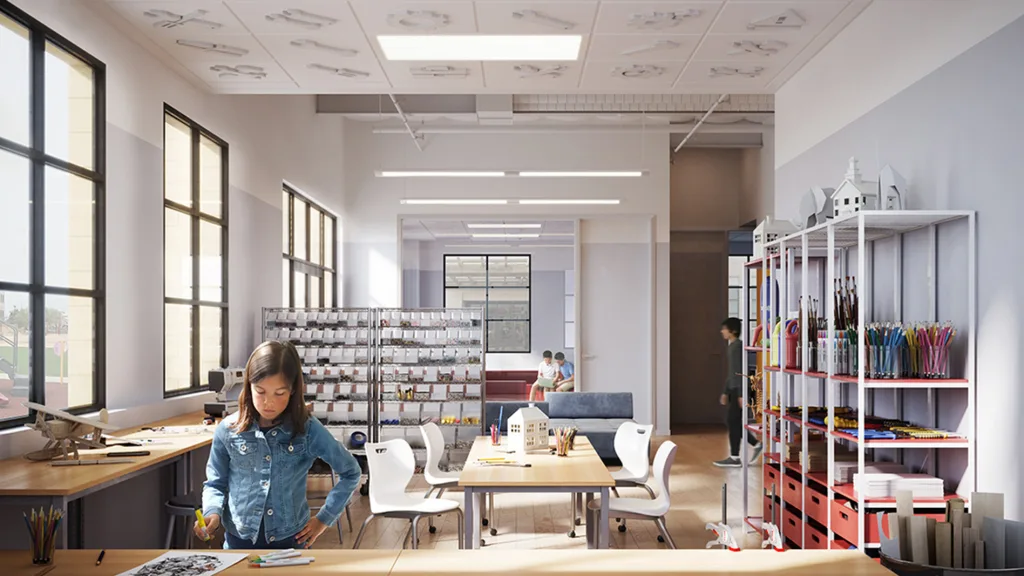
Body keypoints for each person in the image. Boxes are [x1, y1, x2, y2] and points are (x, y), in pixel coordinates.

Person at [194, 341, 361, 549]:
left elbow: (351, 472)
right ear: (249, 386)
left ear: (292, 390)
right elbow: (215, 483)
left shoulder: (308, 429)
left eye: (279, 393)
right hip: (238, 544)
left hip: (291, 544)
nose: (268, 402)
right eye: (260, 391)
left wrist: (323, 519)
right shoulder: (228, 430)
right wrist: (212, 512)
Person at [713, 318, 763, 468]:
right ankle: (755, 444)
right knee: (733, 422)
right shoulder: (733, 346)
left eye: (724, 328)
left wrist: (741, 394)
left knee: (732, 421)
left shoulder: (737, 347)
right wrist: (725, 392)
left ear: (733, 331)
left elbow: (740, 372)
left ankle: (735, 457)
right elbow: (732, 373)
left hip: (738, 390)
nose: (722, 331)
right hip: (734, 389)